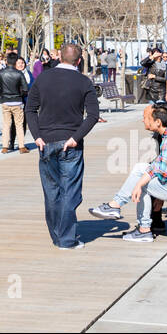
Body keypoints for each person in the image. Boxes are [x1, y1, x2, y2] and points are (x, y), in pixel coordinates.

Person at [25, 43, 101, 250]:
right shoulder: (84, 82)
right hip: (71, 143)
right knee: (70, 191)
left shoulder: (43, 78)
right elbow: (93, 115)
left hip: (46, 143)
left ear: (59, 57)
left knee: (51, 192)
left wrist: (37, 136)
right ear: (78, 61)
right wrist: (76, 137)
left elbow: (30, 109)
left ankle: (58, 236)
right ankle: (66, 240)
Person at [87, 102, 167, 241]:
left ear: (158, 122)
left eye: (146, 117)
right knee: (140, 170)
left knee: (140, 182)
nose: (143, 120)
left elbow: (164, 173)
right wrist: (144, 178)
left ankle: (143, 229)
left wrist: (140, 183)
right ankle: (116, 206)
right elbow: (159, 165)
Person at [0, 52, 30, 154]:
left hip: (5, 101)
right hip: (17, 101)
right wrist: (19, 93)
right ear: (15, 62)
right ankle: (21, 146)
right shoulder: (19, 74)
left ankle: (5, 146)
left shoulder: (0, 73)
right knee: (19, 125)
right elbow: (25, 88)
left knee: (6, 125)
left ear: (7, 61)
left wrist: (1, 94)